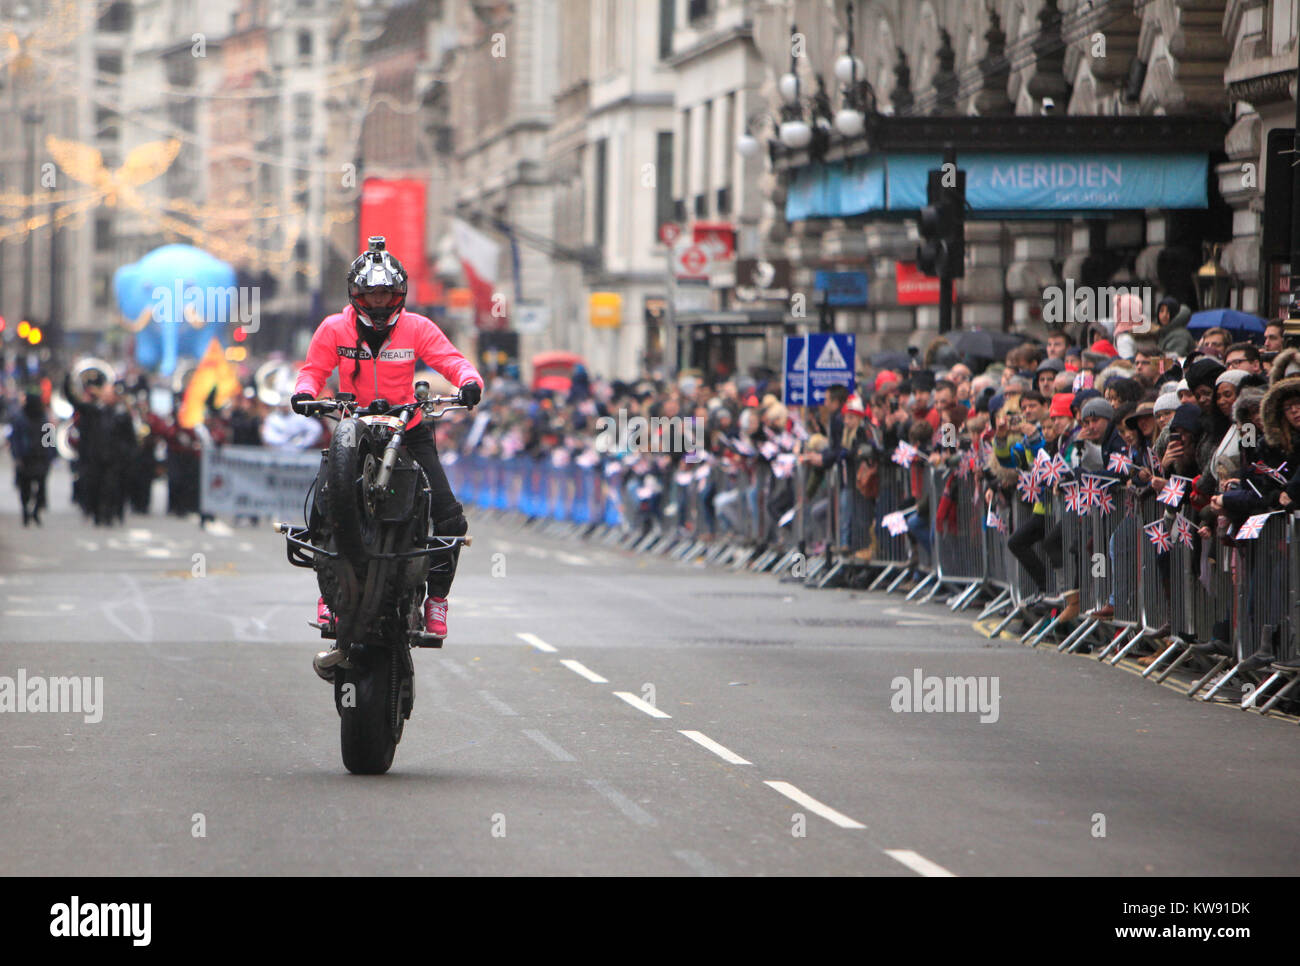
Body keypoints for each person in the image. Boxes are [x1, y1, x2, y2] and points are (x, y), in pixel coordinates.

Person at [292, 236, 484, 647]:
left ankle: (437, 601)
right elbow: (312, 370)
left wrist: (469, 382)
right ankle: (329, 595)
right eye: (371, 294)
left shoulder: (418, 327)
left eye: (387, 294)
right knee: (323, 506)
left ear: (399, 295)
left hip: (409, 430)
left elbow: (453, 361)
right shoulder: (332, 327)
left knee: (449, 516)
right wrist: (305, 393)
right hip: (352, 431)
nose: (379, 303)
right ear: (356, 294)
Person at [8, 391, 52, 526]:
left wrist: (49, 456)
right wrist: (17, 455)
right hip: (26, 459)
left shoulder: (44, 419)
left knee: (40, 488)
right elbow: (15, 439)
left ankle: (35, 511)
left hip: (40, 458)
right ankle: (26, 512)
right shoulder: (20, 419)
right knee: (25, 488)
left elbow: (49, 440)